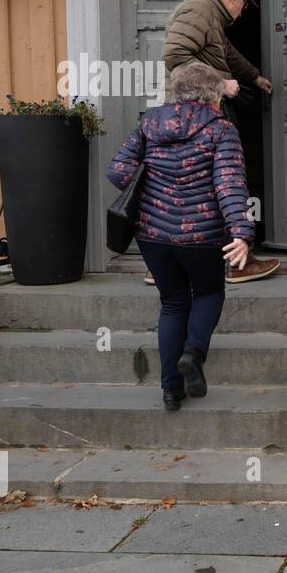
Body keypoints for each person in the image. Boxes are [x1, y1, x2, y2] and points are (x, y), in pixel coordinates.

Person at [108, 61, 254, 412]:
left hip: (153, 234)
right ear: (212, 94)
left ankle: (171, 390)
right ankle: (193, 353)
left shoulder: (148, 123)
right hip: (202, 235)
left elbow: (118, 170)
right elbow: (229, 185)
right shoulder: (221, 129)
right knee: (208, 293)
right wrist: (241, 232)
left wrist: (155, 188)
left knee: (173, 302)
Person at [156, 0, 279, 284]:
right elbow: (175, 56)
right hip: (198, 113)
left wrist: (254, 77)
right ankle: (237, 263)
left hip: (201, 111)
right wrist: (221, 84)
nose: (242, 13)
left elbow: (226, 54)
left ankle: (163, 267)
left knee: (195, 184)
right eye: (244, 6)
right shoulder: (198, 9)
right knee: (223, 182)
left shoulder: (211, 15)